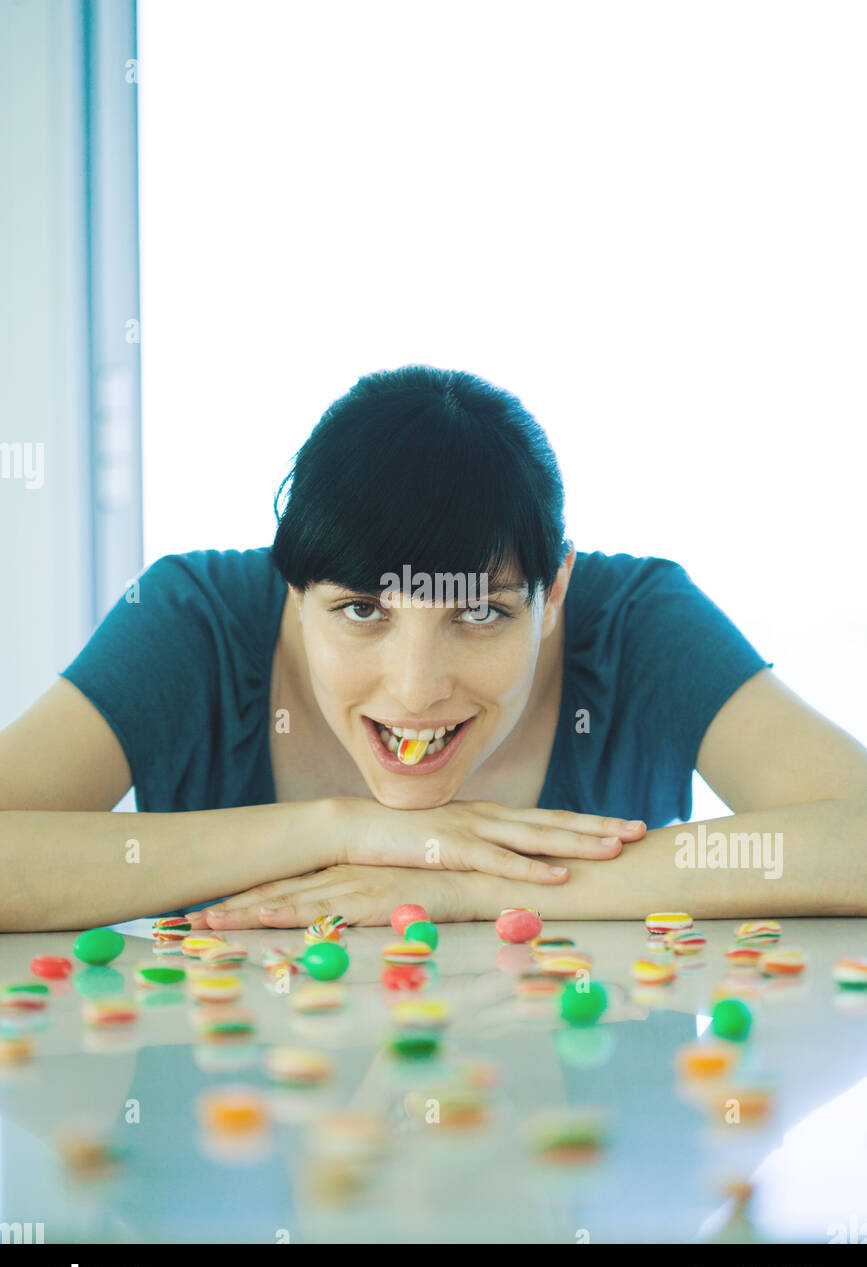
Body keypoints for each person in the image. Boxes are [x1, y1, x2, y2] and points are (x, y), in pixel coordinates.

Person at [1, 365, 865, 931]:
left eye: (479, 616)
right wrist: (342, 832)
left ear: (553, 591)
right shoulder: (192, 619)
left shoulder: (636, 620)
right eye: (362, 613)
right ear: (290, 586)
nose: (415, 692)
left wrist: (482, 885)